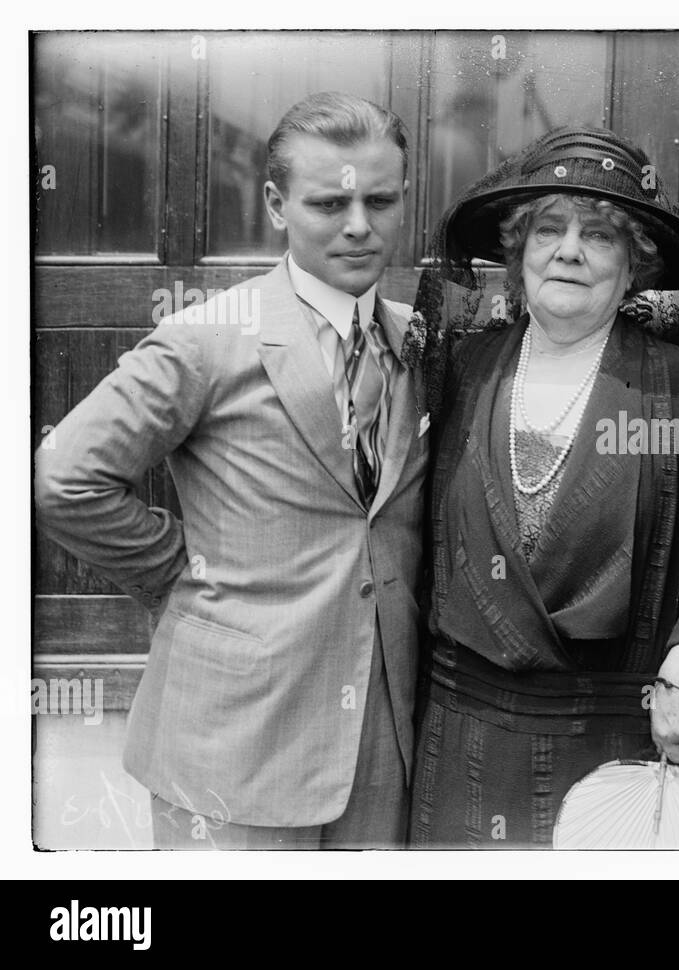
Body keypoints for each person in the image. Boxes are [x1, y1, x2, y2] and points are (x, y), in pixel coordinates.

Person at [34, 92, 426, 848]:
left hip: (380, 743)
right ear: (276, 205)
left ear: (403, 198)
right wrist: (178, 572)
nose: (357, 224)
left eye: (379, 200)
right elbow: (61, 479)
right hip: (231, 743)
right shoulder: (204, 339)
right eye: (329, 202)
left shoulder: (418, 341)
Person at [403, 126, 679, 847]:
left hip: (614, 746)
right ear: (517, 253)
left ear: (634, 271)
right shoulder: (461, 370)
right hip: (464, 742)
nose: (569, 249)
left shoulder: (675, 387)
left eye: (599, 235)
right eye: (549, 230)